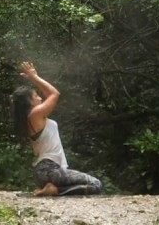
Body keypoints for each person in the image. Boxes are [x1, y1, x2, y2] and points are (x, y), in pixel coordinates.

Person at [12, 60, 102, 196]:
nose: (40, 98)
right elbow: (54, 94)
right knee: (95, 184)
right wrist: (34, 77)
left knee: (91, 185)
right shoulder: (34, 114)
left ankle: (50, 189)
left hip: (45, 172)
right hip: (50, 169)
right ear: (29, 102)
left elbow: (50, 95)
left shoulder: (31, 118)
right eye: (36, 96)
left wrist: (34, 78)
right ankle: (55, 190)